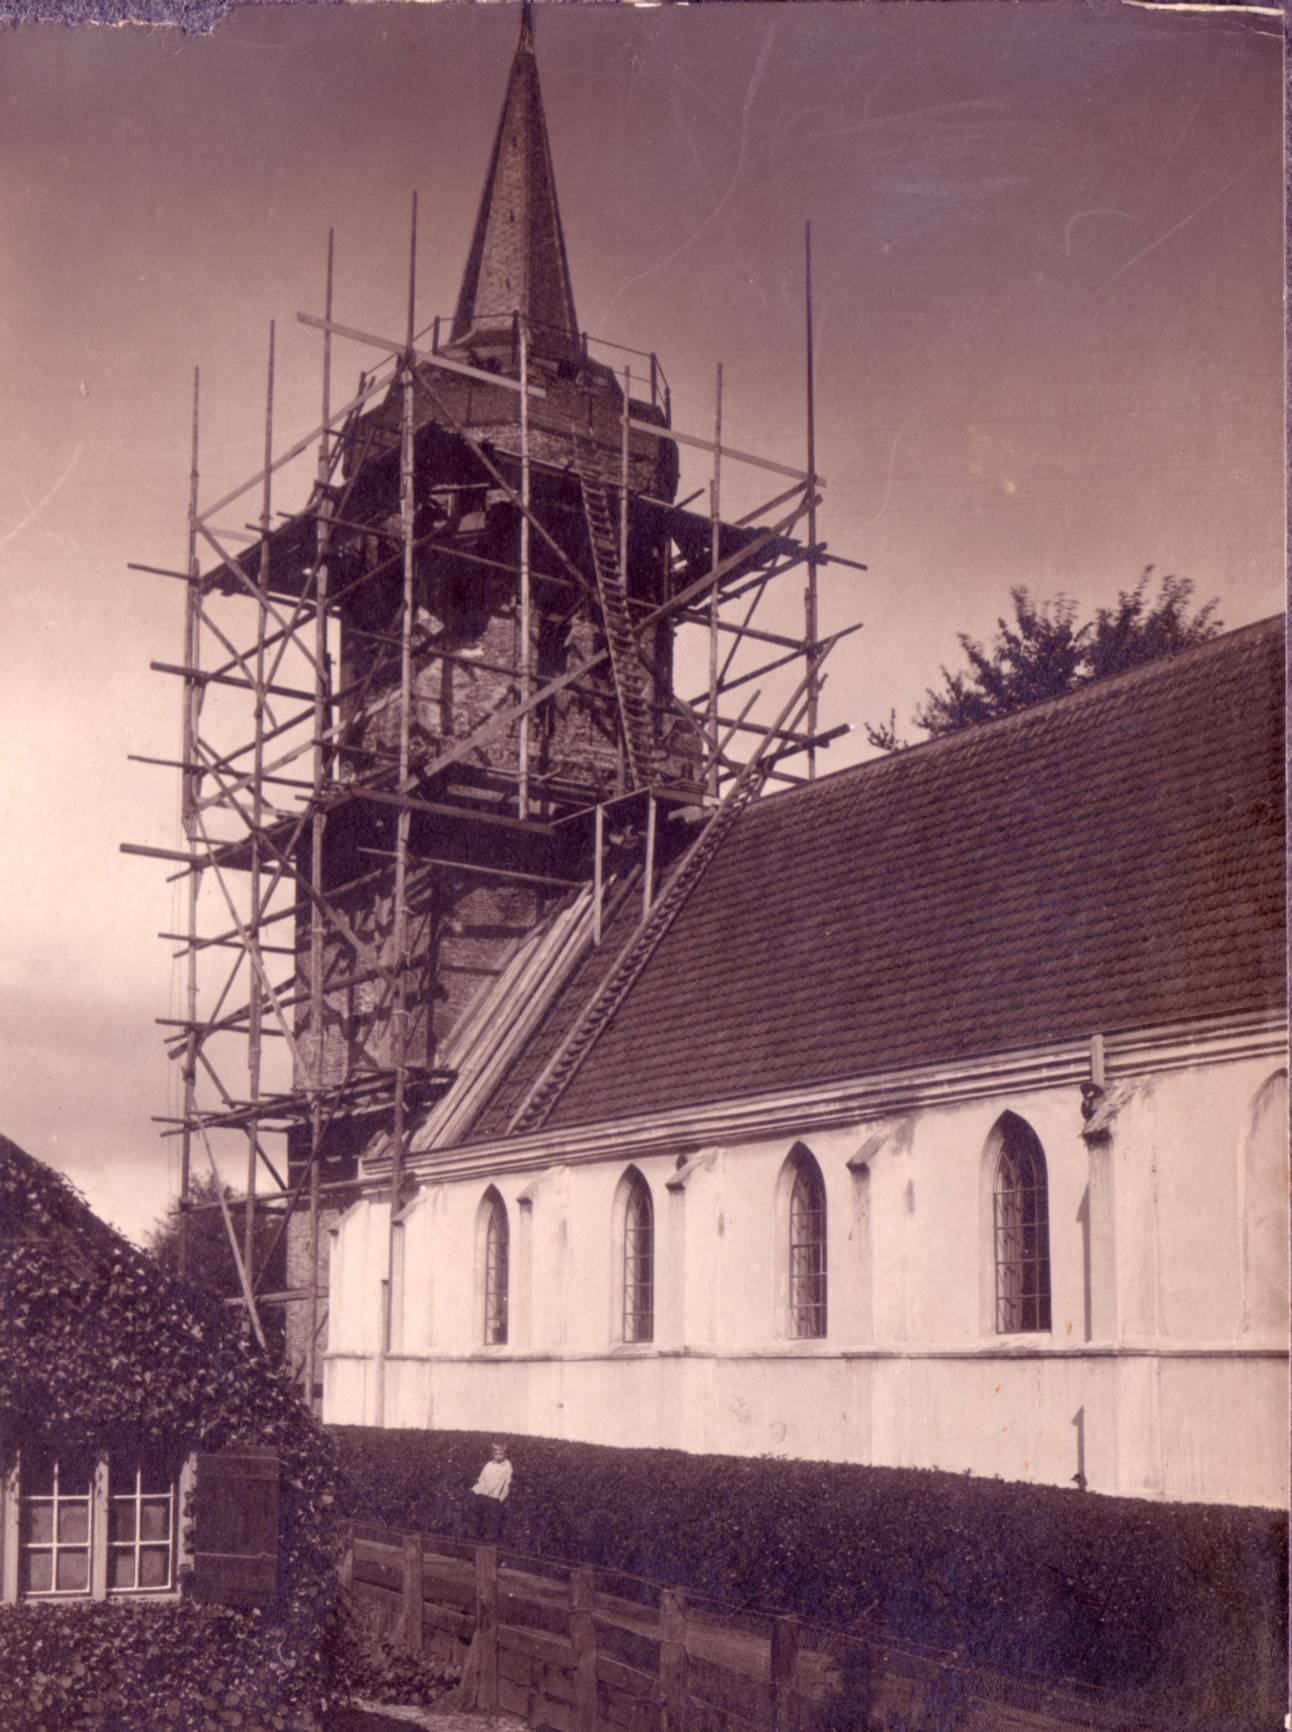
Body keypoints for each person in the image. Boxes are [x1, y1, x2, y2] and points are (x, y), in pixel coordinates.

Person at [471, 1440, 512, 1543]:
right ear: (493, 1454)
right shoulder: (489, 1464)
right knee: (479, 1520)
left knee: (492, 1524)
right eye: (496, 1454)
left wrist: (501, 1497)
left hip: (494, 1498)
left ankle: (488, 1548)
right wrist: (478, 1491)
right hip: (482, 1494)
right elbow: (482, 1478)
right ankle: (477, 1542)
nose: (498, 1456)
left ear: (504, 1454)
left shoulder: (507, 1466)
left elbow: (508, 1483)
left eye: (501, 1454)